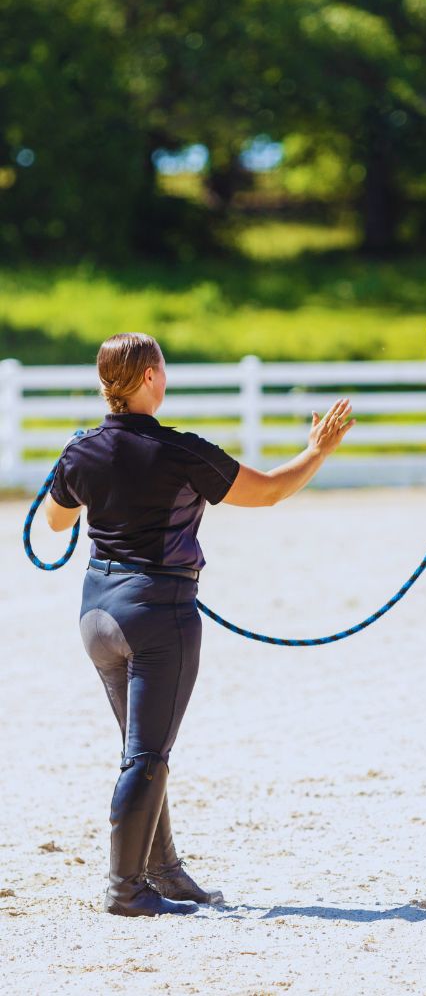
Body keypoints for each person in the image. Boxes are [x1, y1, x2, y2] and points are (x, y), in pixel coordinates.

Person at [43, 332, 354, 917]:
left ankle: (162, 870)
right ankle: (125, 889)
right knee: (147, 756)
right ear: (148, 379)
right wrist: (318, 450)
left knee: (141, 749)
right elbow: (267, 492)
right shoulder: (182, 451)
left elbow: (57, 523)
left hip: (96, 616)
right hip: (157, 614)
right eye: (163, 366)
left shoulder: (78, 451)